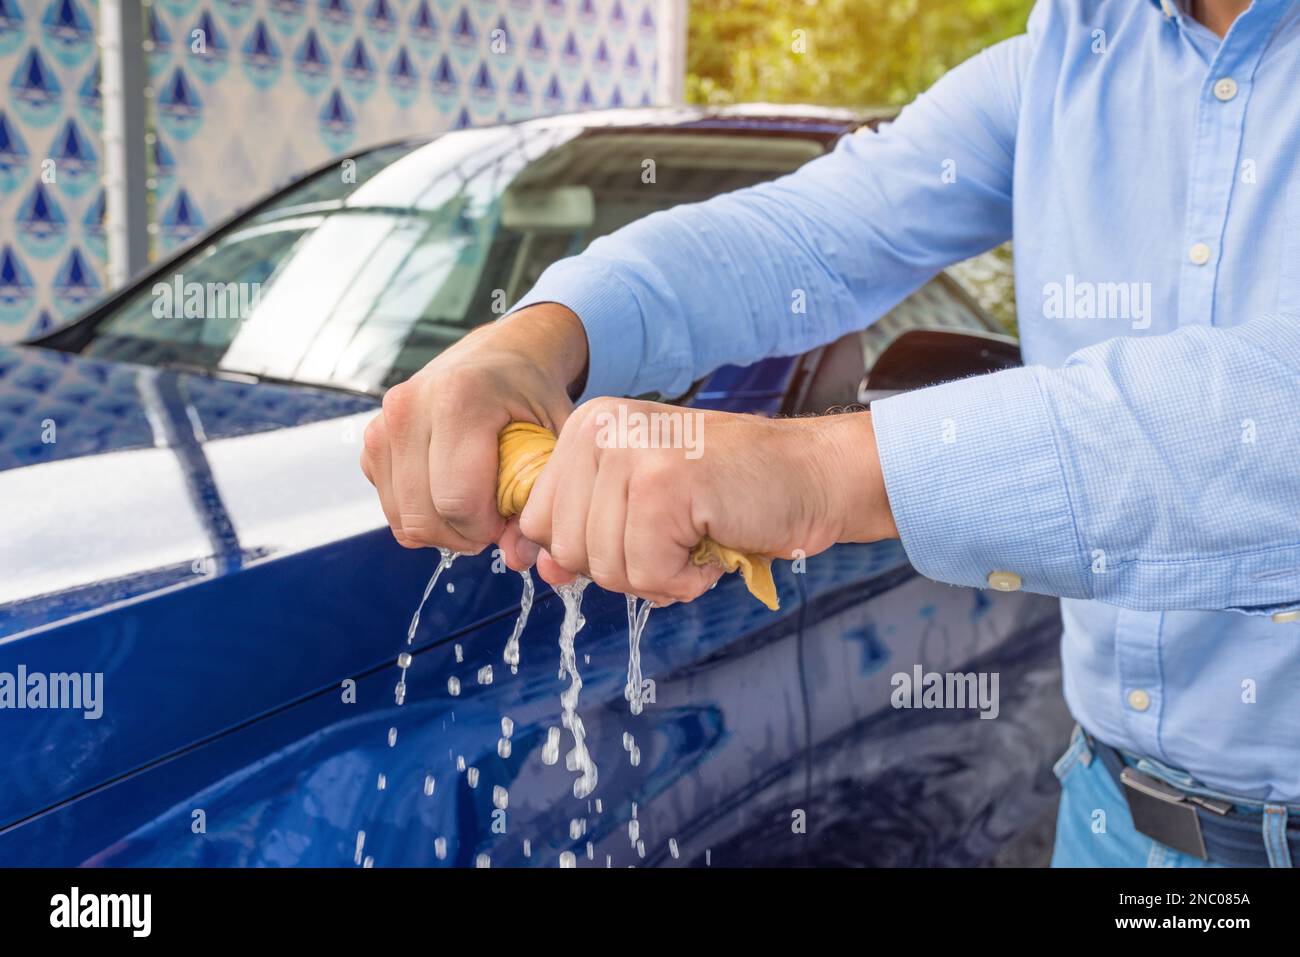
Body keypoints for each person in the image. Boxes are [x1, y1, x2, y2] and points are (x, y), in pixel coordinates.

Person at [360, 0, 1300, 867]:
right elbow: (810, 234)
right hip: (1112, 819)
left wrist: (818, 468)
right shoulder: (1067, 56)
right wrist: (540, 335)